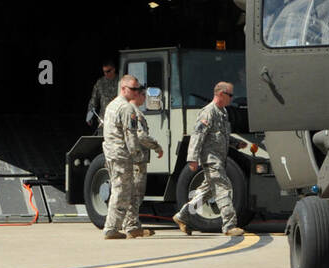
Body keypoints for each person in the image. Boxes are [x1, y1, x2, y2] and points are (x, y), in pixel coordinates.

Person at [172, 82, 243, 237]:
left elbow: (222, 134)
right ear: (221, 94)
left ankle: (182, 216)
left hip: (220, 158)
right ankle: (229, 225)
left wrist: (236, 143)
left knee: (206, 192)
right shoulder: (208, 112)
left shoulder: (222, 112)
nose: (232, 98)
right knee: (223, 188)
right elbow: (197, 135)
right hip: (211, 160)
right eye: (230, 95)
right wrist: (192, 158)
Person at [101, 74, 163, 239]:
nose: (136, 92)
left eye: (137, 89)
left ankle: (126, 226)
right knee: (122, 191)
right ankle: (111, 228)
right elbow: (131, 136)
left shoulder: (111, 106)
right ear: (123, 88)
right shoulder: (126, 108)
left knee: (121, 190)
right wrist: (136, 155)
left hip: (112, 154)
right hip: (122, 155)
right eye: (133, 89)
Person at [87, 61, 118, 131]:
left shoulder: (120, 81)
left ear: (114, 69)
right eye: (104, 72)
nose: (106, 74)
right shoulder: (100, 83)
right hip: (103, 121)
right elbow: (94, 100)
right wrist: (89, 116)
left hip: (118, 121)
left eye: (108, 71)